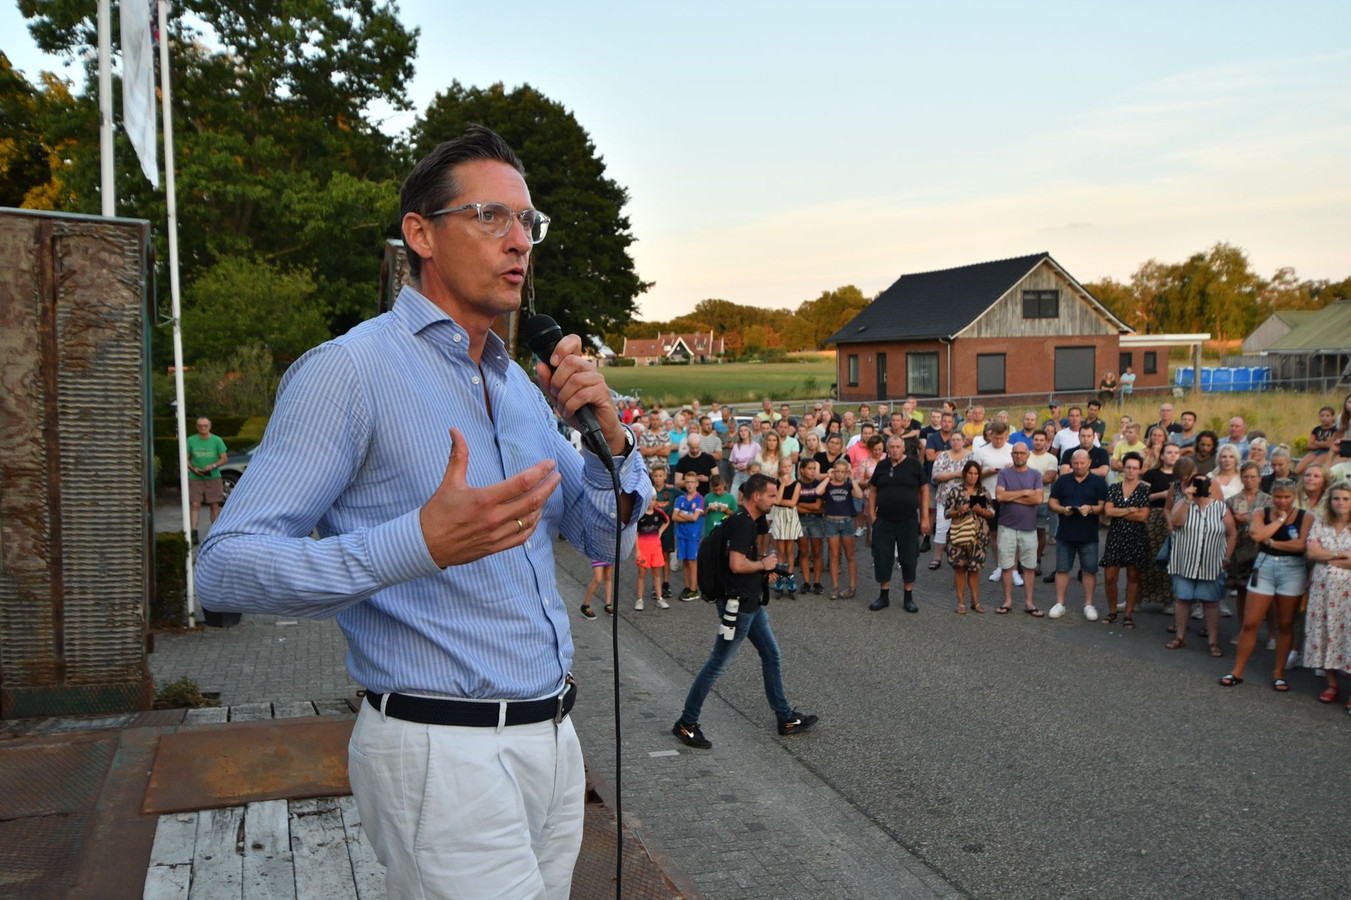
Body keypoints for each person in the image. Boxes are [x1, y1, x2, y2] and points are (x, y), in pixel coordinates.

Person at [196, 126, 652, 899]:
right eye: (490, 217)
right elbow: (224, 570)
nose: (519, 242)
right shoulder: (348, 371)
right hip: (441, 752)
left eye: (527, 223)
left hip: (553, 738)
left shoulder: (517, 386)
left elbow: (603, 533)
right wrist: (417, 543)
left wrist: (613, 436)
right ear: (420, 235)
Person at [672, 474, 818, 750]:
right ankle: (686, 722)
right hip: (737, 608)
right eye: (771, 496)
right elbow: (737, 565)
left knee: (771, 655)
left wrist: (764, 570)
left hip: (749, 603)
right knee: (717, 664)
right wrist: (764, 565)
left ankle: (785, 718)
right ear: (756, 497)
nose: (775, 501)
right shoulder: (742, 524)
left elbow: (742, 563)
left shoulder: (747, 521)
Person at [1222, 477, 1304, 688]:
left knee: (1285, 624)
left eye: (1287, 497)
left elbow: (1301, 546)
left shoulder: (1305, 516)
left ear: (1294, 496)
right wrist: (1279, 521)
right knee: (1251, 623)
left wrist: (1273, 540)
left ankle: (1278, 673)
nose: (1282, 501)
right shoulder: (1261, 512)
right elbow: (1257, 535)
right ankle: (1237, 671)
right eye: (1278, 497)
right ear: (1272, 497)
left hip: (1292, 570)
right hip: (1265, 566)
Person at [1166, 470, 1236, 657]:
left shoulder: (1221, 508)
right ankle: (1180, 637)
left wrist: (1227, 557)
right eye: (1197, 483)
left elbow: (1231, 533)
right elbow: (1176, 522)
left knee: (1211, 603)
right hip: (1184, 563)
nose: (1201, 486)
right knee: (1183, 600)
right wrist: (1188, 499)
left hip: (1211, 564)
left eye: (1205, 483)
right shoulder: (1181, 504)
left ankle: (1213, 641)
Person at [1302, 484, 1351, 708]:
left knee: (1347, 637)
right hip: (1322, 592)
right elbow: (1312, 552)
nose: (1340, 502)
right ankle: (1332, 684)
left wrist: (1327, 559)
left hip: (1347, 594)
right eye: (1336, 498)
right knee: (1325, 633)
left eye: (1345, 499)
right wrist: (1339, 555)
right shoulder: (1321, 524)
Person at [867, 435, 929, 612]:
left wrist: (924, 518)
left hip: (908, 520)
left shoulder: (914, 465)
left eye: (897, 447)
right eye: (891, 447)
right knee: (882, 558)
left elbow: (924, 490)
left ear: (903, 448)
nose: (894, 450)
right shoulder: (882, 466)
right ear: (887, 449)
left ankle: (908, 597)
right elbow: (872, 490)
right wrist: (872, 516)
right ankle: (883, 596)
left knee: (909, 558)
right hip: (884, 520)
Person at [1048, 449, 1109, 620]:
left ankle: (1089, 604)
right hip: (1065, 532)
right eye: (1075, 463)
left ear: (1089, 462)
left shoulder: (1098, 482)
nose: (1079, 466)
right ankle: (1060, 603)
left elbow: (1103, 507)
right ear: (1071, 463)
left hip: (1088, 533)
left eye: (1082, 463)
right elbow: (1052, 503)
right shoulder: (1063, 480)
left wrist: (1090, 509)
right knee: (1062, 569)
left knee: (1089, 570)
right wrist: (1062, 509)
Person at [1100, 452, 1151, 625]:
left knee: (1133, 576)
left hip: (1136, 536)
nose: (1131, 471)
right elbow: (1108, 511)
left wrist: (1119, 512)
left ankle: (1128, 614)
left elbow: (1143, 515)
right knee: (1110, 576)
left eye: (1135, 468)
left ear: (1140, 469)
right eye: (1128, 467)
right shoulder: (1114, 487)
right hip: (1115, 535)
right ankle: (1112, 611)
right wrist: (1130, 510)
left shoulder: (1144, 489)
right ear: (1123, 467)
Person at [995, 443, 1045, 616]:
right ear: (1011, 454)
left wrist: (1012, 496)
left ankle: (1029, 602)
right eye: (1015, 453)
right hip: (1006, 526)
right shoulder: (1004, 474)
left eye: (1022, 453)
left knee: (1029, 566)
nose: (1019, 456)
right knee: (1007, 565)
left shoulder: (1036, 475)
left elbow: (1038, 499)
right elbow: (1000, 496)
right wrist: (1025, 492)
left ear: (1028, 455)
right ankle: (1008, 600)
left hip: (1028, 527)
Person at [1225, 461, 1271, 632]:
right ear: (1241, 478)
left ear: (1259, 478)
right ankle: (1243, 629)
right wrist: (1235, 520)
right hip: (1240, 551)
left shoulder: (1269, 500)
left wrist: (1252, 519)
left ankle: (1271, 633)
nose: (1249, 480)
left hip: (1261, 551)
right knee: (1242, 591)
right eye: (1246, 476)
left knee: (1264, 592)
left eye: (1253, 477)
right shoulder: (1232, 500)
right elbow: (1226, 527)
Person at [945, 460, 994, 614]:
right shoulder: (955, 491)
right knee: (960, 568)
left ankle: (975, 601)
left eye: (975, 473)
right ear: (965, 474)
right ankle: (961, 602)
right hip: (959, 534)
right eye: (970, 473)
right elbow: (947, 513)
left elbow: (992, 513)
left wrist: (981, 511)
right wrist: (960, 510)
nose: (972, 477)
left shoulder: (983, 492)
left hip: (978, 536)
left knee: (974, 570)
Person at [1139, 443, 1180, 613]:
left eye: (1176, 453)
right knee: (1148, 557)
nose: (1172, 455)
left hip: (1175, 518)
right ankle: (1137, 599)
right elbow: (1140, 497)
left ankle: (1168, 601)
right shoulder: (1151, 474)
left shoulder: (1183, 476)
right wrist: (1162, 495)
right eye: (1169, 452)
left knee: (1170, 559)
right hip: (1154, 518)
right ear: (1162, 456)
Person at [974, 421, 1016, 585]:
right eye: (995, 438)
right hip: (986, 496)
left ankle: (1012, 569)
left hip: (1008, 496)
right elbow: (973, 478)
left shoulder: (1013, 449)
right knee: (992, 534)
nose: (998, 441)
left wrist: (1009, 470)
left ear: (1006, 436)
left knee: (1011, 534)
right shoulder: (980, 451)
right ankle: (999, 566)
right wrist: (987, 472)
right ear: (990, 435)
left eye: (1001, 438)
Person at [929, 431, 970, 571]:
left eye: (959, 439)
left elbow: (976, 475)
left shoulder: (971, 456)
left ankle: (967, 557)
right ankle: (937, 557)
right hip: (945, 497)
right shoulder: (942, 456)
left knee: (968, 527)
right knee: (941, 526)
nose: (956, 442)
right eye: (953, 439)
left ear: (964, 441)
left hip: (967, 498)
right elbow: (936, 476)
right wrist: (956, 474)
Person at [822, 459, 863, 599]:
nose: (839, 474)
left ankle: (852, 586)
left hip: (846, 521)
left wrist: (852, 478)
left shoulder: (848, 485)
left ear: (846, 472)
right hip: (831, 521)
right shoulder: (828, 484)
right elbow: (818, 491)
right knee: (834, 555)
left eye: (842, 471)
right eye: (837, 471)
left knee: (850, 555)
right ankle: (835, 587)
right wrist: (828, 477)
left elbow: (859, 495)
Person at [186, 416, 229, 541]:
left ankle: (214, 532)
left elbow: (224, 458)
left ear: (209, 426)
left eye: (205, 426)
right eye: (200, 426)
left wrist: (213, 466)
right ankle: (193, 531)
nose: (202, 428)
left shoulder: (217, 440)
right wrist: (193, 469)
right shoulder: (191, 440)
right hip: (196, 477)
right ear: (196, 427)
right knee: (195, 504)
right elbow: (186, 458)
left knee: (214, 504)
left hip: (213, 477)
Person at [1025, 430, 1060, 576]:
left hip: (1043, 500)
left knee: (1040, 533)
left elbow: (1049, 479)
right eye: (1036, 439)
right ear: (1032, 441)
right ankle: (1025, 561)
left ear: (1046, 442)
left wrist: (1028, 478)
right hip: (1025, 501)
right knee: (1025, 534)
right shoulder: (1025, 455)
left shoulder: (1051, 459)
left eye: (1041, 440)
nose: (1038, 442)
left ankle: (1037, 561)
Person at [770, 457, 803, 597]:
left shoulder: (797, 484)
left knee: (789, 550)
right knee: (780, 550)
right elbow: (776, 500)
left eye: (789, 466)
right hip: (778, 515)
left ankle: (789, 577)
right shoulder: (776, 482)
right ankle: (779, 577)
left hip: (790, 516)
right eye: (784, 466)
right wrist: (782, 484)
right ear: (780, 468)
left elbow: (792, 503)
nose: (787, 469)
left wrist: (778, 500)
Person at [796, 458, 827, 595]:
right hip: (800, 520)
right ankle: (807, 582)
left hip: (816, 520)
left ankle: (817, 582)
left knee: (816, 552)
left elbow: (818, 507)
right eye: (809, 468)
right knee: (803, 552)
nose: (812, 471)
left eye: (814, 468)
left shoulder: (818, 484)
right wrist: (810, 508)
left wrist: (800, 505)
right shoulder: (797, 484)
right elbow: (793, 507)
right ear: (802, 470)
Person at [672, 475, 705, 602]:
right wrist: (686, 516)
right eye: (687, 482)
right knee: (684, 561)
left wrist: (682, 514)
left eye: (692, 482)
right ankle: (687, 586)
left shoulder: (699, 499)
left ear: (697, 483)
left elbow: (695, 518)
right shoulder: (681, 498)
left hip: (693, 535)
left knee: (692, 561)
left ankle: (693, 589)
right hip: (681, 534)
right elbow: (674, 517)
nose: (690, 485)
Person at [635, 496, 670, 614]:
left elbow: (667, 520)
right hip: (643, 549)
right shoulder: (640, 515)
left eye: (653, 499)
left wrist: (660, 531)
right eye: (649, 499)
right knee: (642, 574)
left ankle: (659, 598)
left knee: (656, 573)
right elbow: (636, 532)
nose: (651, 501)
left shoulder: (658, 512)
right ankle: (639, 599)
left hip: (656, 548)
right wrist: (637, 550)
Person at [652, 465, 679, 601]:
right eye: (655, 476)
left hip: (667, 528)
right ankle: (655, 584)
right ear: (652, 477)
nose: (658, 478)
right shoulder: (650, 491)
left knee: (665, 556)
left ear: (665, 476)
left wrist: (678, 512)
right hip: (652, 528)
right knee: (654, 558)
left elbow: (685, 496)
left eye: (660, 475)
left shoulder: (671, 490)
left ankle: (666, 584)